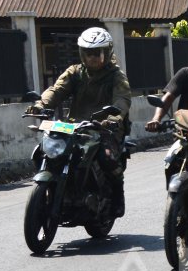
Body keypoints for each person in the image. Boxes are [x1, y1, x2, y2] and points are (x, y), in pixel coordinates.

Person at [29, 26, 131, 215]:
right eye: (88, 53)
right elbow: (56, 90)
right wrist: (41, 105)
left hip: (106, 128)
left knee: (106, 157)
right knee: (44, 152)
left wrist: (114, 118)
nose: (92, 57)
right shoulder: (75, 72)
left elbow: (122, 100)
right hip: (75, 126)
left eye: (97, 53)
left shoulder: (116, 76)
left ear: (107, 52)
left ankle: (118, 196)